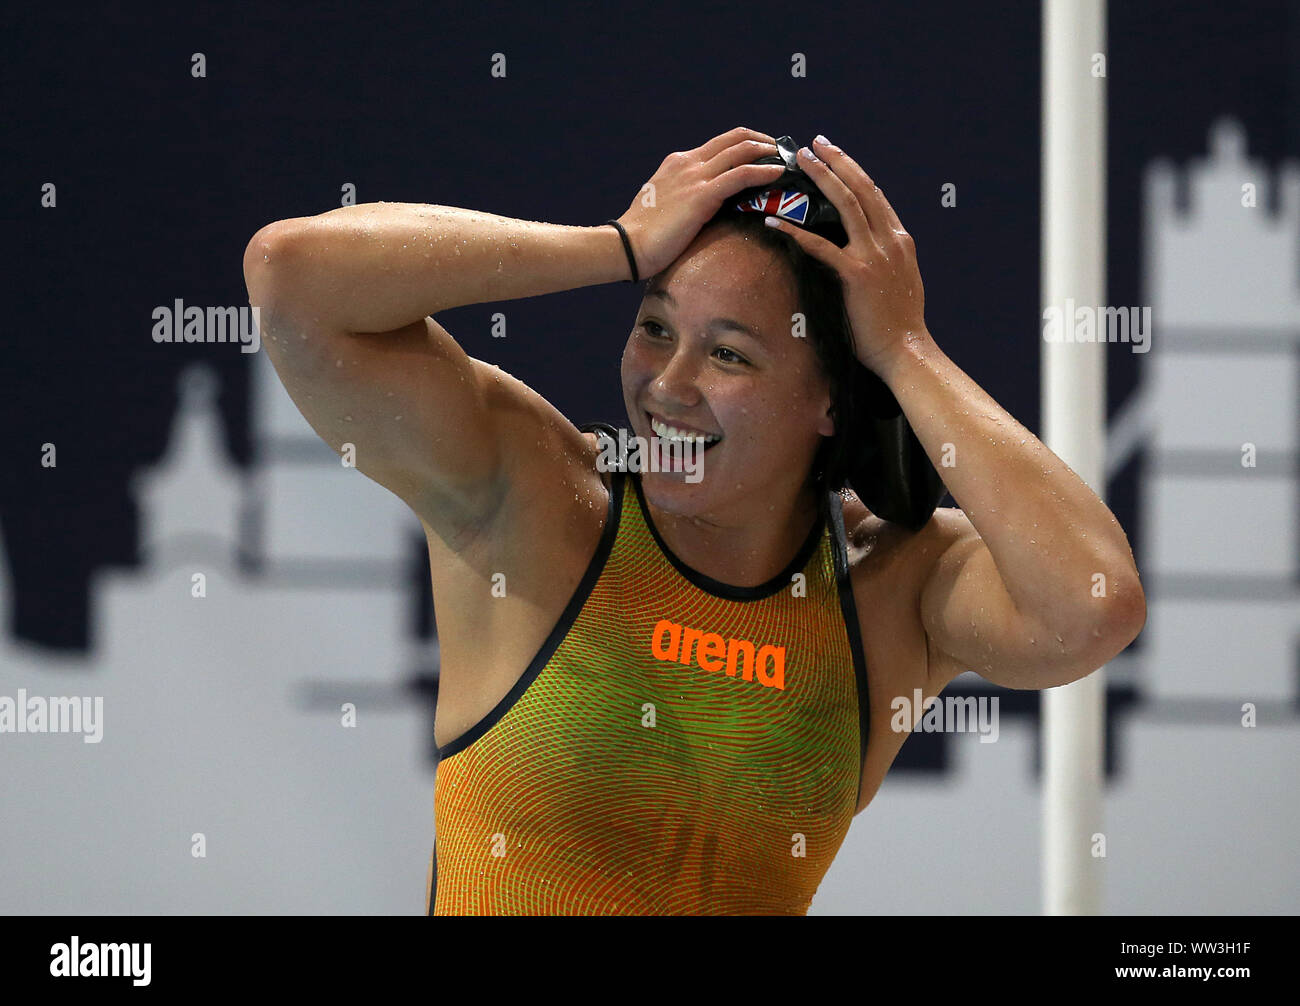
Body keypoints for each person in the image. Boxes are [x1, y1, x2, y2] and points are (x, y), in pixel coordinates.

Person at [243, 126, 1146, 915]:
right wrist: (616, 243)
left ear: (830, 399)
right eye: (654, 327)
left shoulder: (889, 586)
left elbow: (1092, 605)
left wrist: (904, 350)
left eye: (727, 354)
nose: (668, 388)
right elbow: (292, 278)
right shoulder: (542, 499)